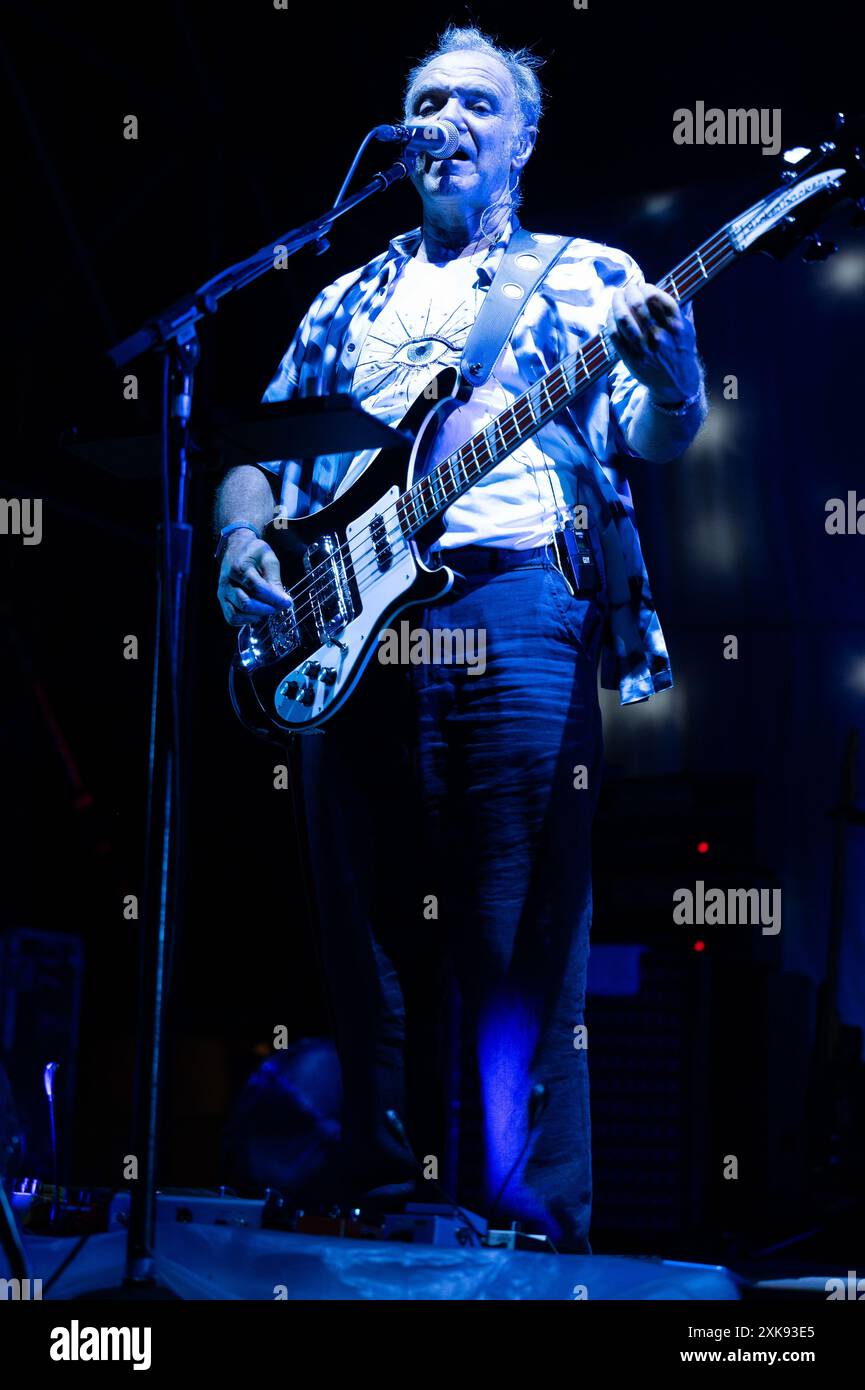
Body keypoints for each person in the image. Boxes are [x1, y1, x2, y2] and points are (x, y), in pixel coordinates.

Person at [214, 26, 707, 1252]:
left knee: (519, 922)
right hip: (349, 618)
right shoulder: (345, 295)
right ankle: (375, 1192)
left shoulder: (584, 273)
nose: (447, 120)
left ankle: (528, 1221)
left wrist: (684, 380)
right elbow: (252, 458)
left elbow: (651, 431)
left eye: (475, 104)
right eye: (427, 101)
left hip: (514, 602)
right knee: (360, 919)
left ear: (521, 139)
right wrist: (237, 545)